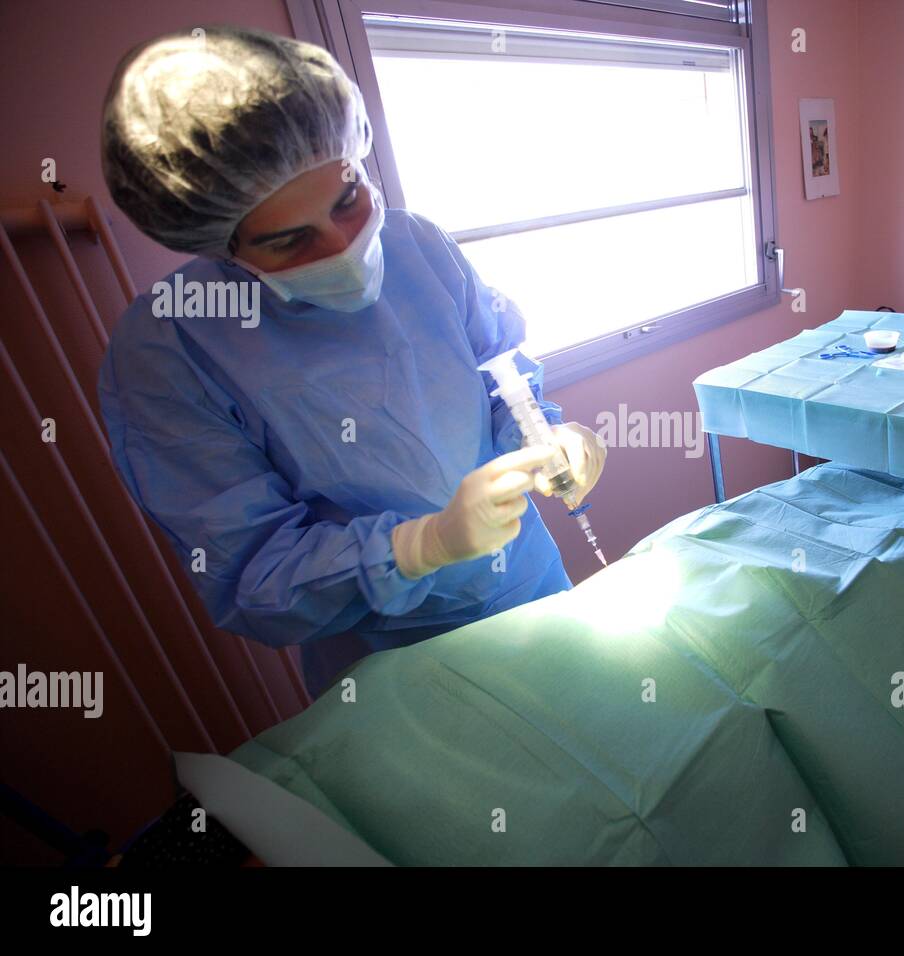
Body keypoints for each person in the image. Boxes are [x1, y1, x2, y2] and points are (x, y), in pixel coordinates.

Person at [98, 26, 605, 697]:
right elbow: (255, 575)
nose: (343, 245)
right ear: (222, 244)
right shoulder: (172, 350)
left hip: (529, 585)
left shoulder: (418, 245)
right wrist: (422, 547)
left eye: (348, 199)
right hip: (389, 668)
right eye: (289, 240)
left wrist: (547, 438)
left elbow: (502, 374)